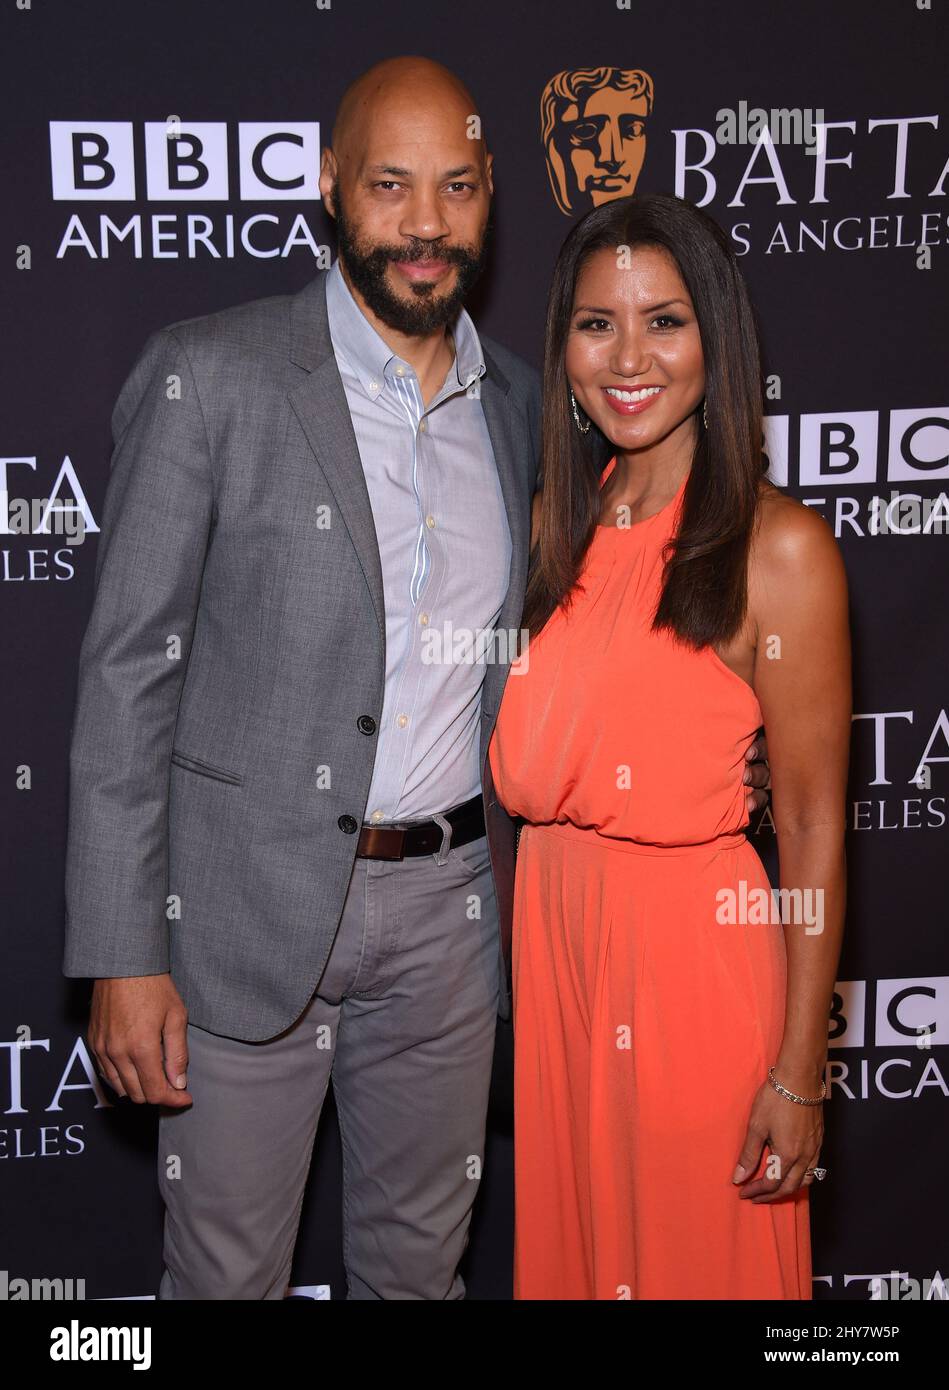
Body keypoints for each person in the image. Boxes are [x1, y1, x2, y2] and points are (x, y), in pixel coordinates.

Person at [62, 56, 771, 1301]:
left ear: (493, 193)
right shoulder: (210, 375)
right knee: (223, 1279)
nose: (426, 224)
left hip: (454, 915)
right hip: (241, 915)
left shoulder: (528, 415)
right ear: (331, 186)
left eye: (453, 187)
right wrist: (122, 950)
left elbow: (580, 644)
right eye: (390, 186)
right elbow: (127, 680)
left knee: (418, 1275)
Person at [488, 192, 851, 1300]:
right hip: (557, 951)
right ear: (562, 346)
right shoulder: (559, 517)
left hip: (691, 968)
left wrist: (798, 1069)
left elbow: (808, 823)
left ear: (716, 339)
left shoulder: (777, 548)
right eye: (597, 323)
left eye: (665, 320)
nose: (629, 356)